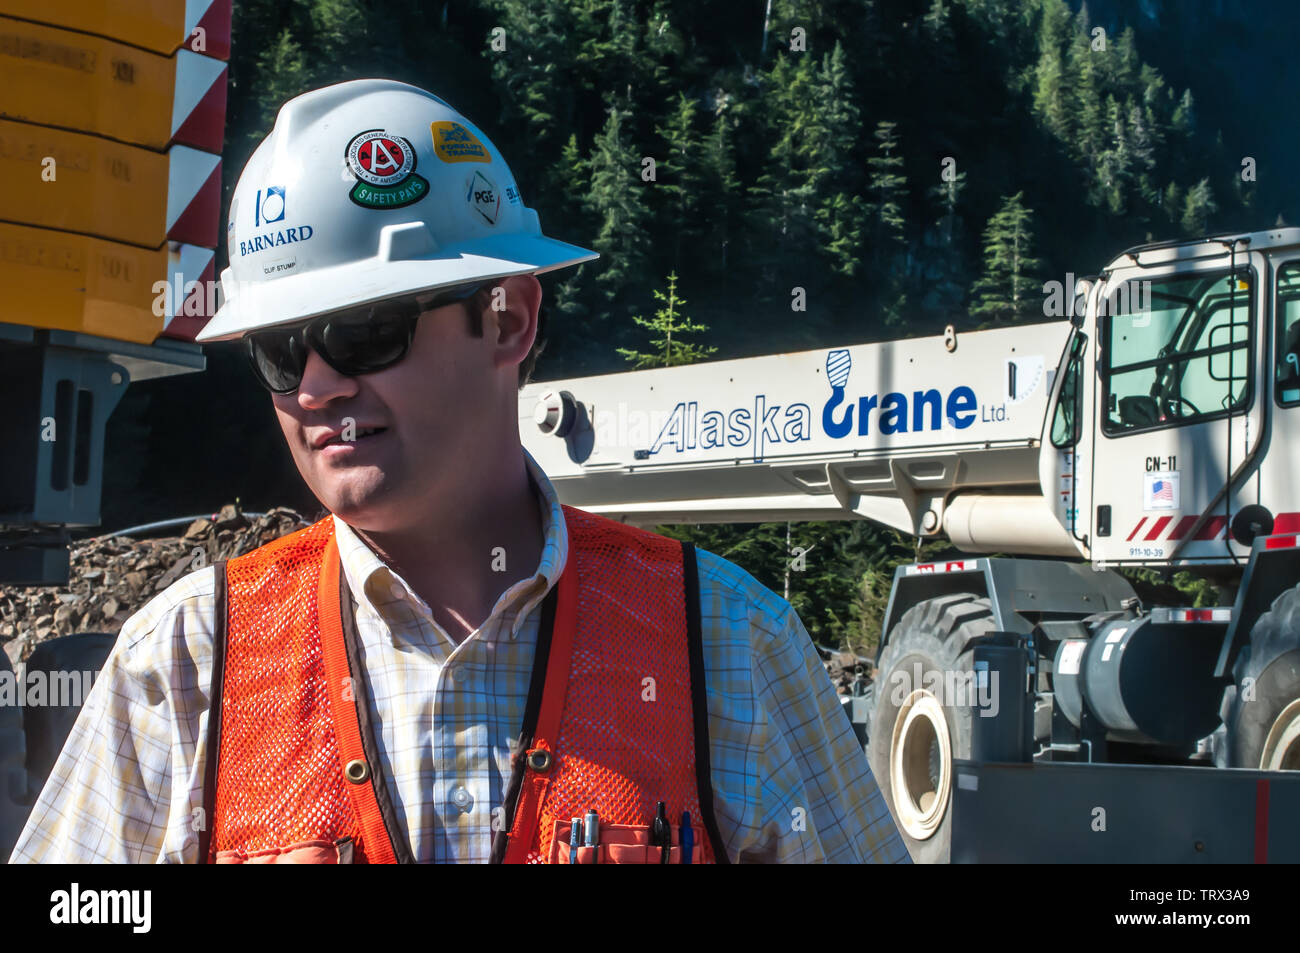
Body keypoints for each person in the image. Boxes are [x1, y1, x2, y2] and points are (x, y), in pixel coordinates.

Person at [9, 79, 909, 864]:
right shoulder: (186, 661)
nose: (319, 383)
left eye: (363, 331)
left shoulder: (729, 646)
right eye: (283, 351)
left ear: (509, 318)